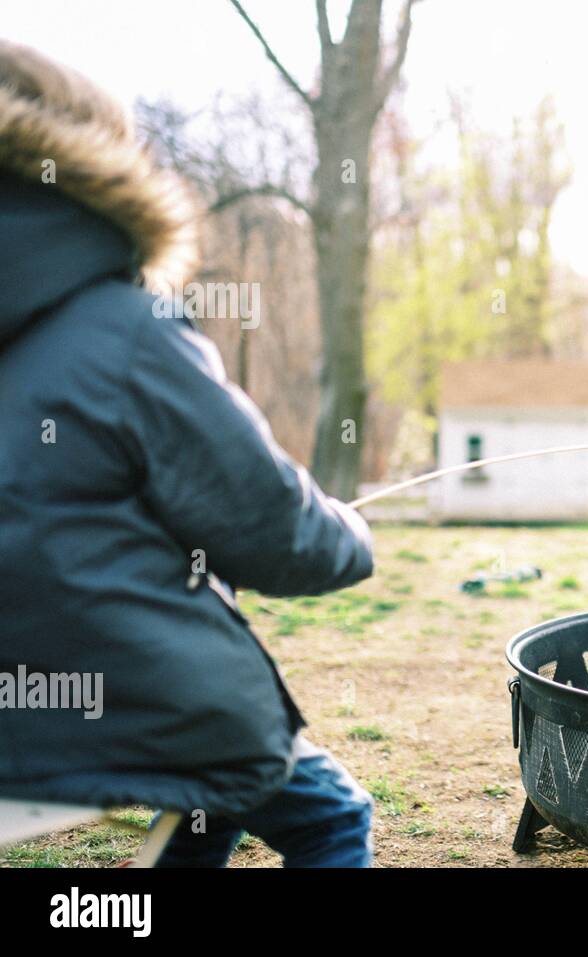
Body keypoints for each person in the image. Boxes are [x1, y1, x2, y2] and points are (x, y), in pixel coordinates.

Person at [0, 41, 376, 867]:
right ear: (96, 166)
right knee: (329, 814)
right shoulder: (125, 334)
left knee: (210, 803)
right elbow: (275, 530)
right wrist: (351, 533)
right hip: (132, 706)